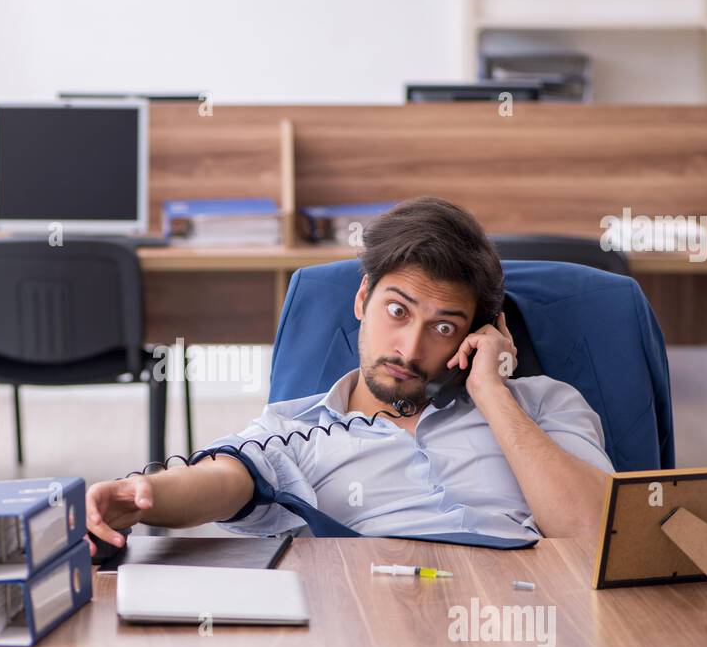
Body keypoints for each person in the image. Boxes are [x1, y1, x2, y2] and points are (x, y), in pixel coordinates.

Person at [86, 196, 613, 554]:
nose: (410, 348)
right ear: (363, 298)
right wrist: (141, 496)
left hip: (531, 625)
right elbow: (224, 480)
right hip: (386, 619)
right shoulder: (297, 427)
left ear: (480, 334)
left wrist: (491, 391)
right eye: (398, 311)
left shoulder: (544, 404)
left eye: (444, 326)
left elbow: (595, 534)